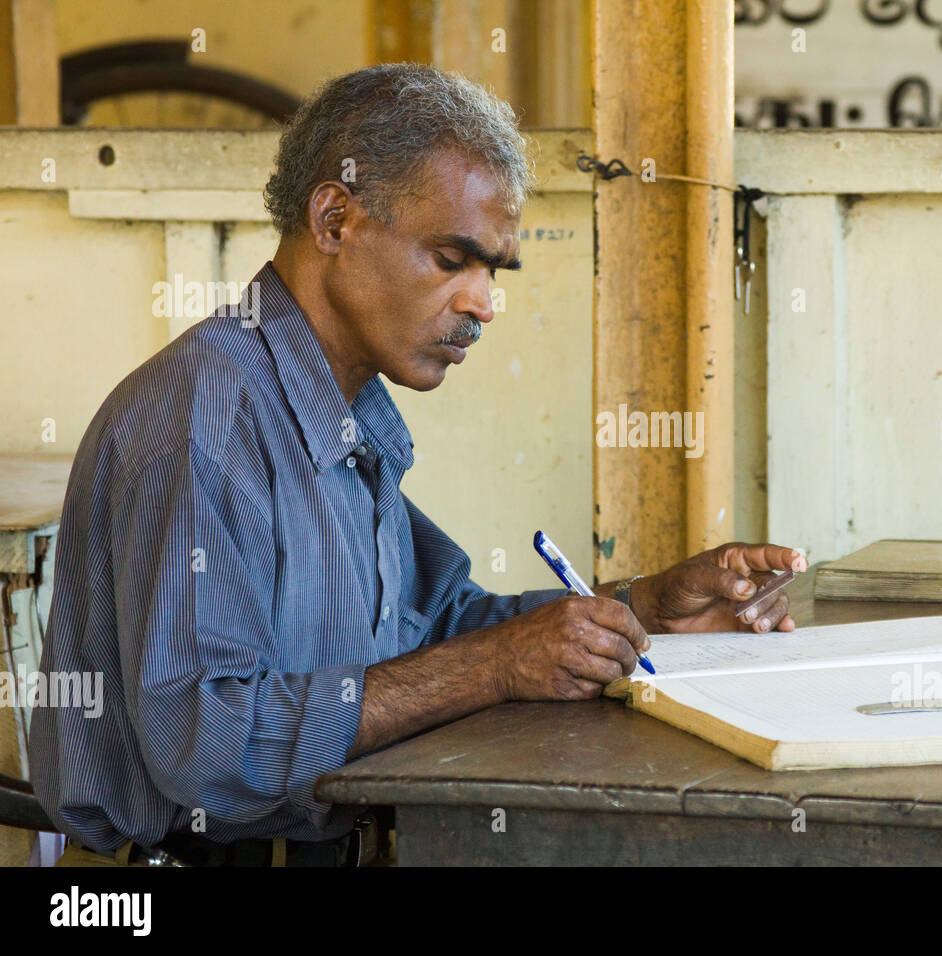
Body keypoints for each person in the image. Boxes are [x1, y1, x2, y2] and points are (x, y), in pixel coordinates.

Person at [31, 63, 804, 867]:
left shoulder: (343, 403)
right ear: (335, 219)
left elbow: (435, 627)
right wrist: (497, 666)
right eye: (450, 259)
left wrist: (648, 611)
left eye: (493, 271)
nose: (482, 304)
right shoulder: (209, 420)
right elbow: (213, 748)